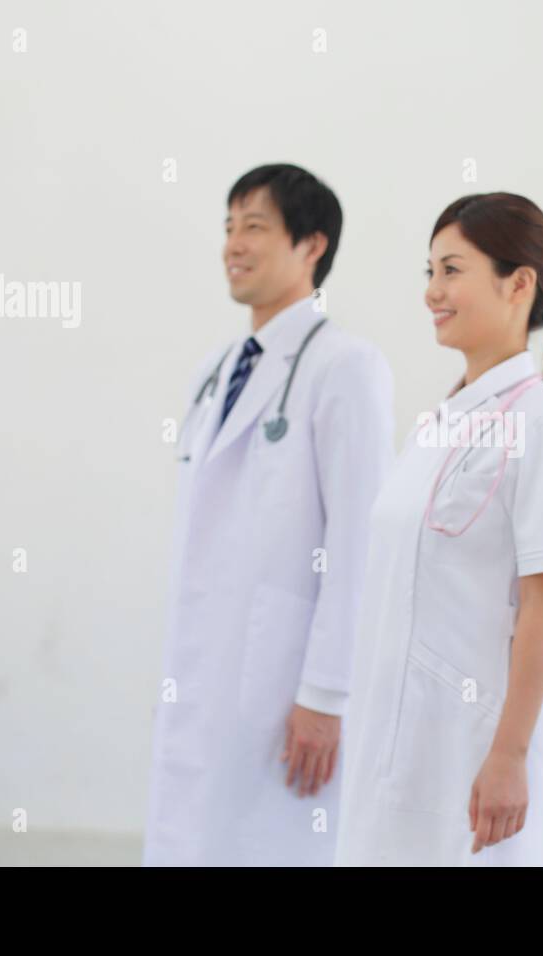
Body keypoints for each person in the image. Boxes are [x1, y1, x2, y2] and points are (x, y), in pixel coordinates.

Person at [335, 193, 543, 866]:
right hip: (389, 755)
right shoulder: (436, 424)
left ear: (519, 283)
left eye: (452, 270)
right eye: (428, 272)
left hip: (474, 762)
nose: (432, 292)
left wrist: (509, 756)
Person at [144, 163, 394, 866]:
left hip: (284, 685)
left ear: (311, 245)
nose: (233, 243)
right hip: (204, 671)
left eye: (254, 226)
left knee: (267, 846)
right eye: (228, 226)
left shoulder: (346, 367)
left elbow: (358, 546)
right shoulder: (216, 370)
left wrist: (326, 693)